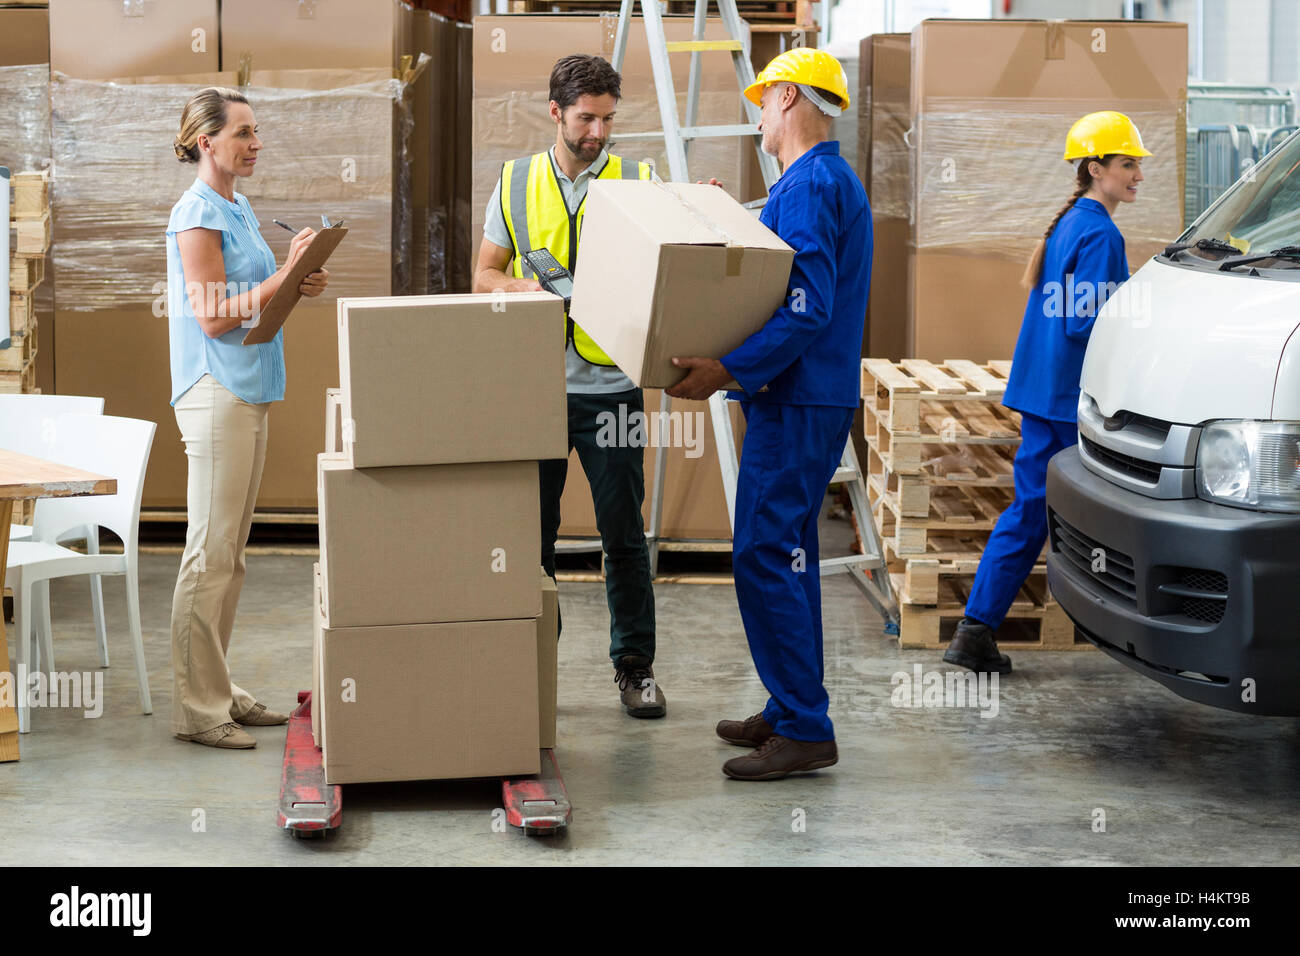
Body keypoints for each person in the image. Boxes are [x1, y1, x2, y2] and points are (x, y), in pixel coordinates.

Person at [667, 48, 868, 780]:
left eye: (761, 102)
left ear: (787, 97)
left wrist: (729, 367)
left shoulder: (811, 183)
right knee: (791, 552)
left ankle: (806, 726)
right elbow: (776, 277)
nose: (758, 117)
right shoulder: (816, 182)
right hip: (806, 394)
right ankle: (791, 709)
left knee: (761, 550)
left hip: (795, 396)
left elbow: (804, 307)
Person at [472, 55, 666, 719]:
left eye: (608, 118)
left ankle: (635, 668)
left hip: (614, 388)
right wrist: (525, 287)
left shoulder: (641, 179)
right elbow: (483, 276)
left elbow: (676, 264)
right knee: (533, 537)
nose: (598, 131)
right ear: (554, 112)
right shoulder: (515, 180)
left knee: (624, 535)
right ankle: (534, 666)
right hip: (537, 389)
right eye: (586, 118)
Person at [943, 110, 1147, 675]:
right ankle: (984, 631)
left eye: (1136, 164)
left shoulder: (1070, 224)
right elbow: (1087, 322)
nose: (1137, 175)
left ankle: (976, 631)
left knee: (1033, 511)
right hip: (1066, 400)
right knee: (1082, 513)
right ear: (1094, 168)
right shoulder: (1102, 232)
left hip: (1042, 392)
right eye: (1127, 164)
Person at [167, 87, 329, 749]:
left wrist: (299, 280)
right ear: (206, 142)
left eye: (257, 131)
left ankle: (218, 686)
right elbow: (212, 312)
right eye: (243, 133)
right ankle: (199, 709)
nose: (256, 143)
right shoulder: (195, 212)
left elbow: (256, 299)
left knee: (231, 557)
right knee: (208, 553)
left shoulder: (239, 204)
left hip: (251, 386)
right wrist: (285, 269)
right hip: (215, 392)